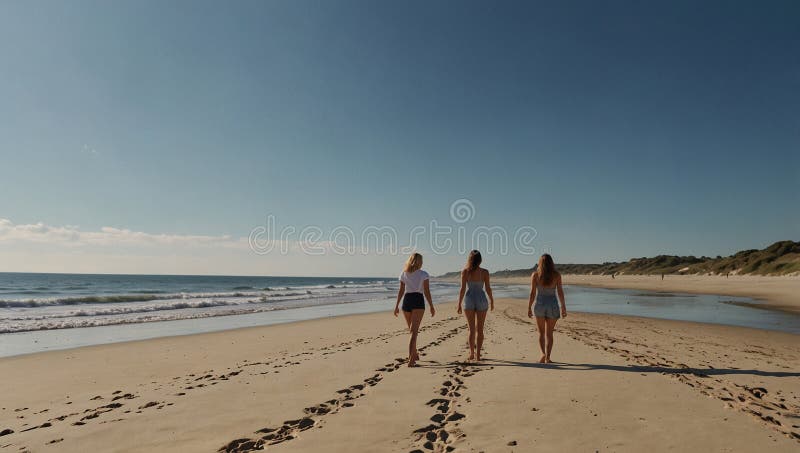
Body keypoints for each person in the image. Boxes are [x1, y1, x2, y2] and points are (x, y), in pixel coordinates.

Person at [394, 252, 435, 367]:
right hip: (417, 300)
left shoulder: (404, 273)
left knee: (412, 331)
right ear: (419, 262)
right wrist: (431, 306)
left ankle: (415, 353)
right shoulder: (423, 274)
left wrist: (397, 305)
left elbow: (401, 291)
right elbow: (426, 291)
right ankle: (411, 360)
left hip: (406, 301)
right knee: (414, 332)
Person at [527, 254, 567, 363]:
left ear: (540, 263)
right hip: (552, 305)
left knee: (541, 333)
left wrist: (529, 307)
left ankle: (542, 354)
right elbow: (560, 292)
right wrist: (563, 307)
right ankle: (548, 357)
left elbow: (532, 293)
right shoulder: (556, 275)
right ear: (551, 263)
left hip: (540, 305)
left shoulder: (535, 275)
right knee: (549, 333)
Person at [457, 250, 494, 361]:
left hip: (469, 299)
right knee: (480, 330)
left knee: (471, 330)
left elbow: (462, 289)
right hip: (481, 299)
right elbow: (487, 288)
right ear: (480, 260)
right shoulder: (485, 272)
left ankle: (472, 353)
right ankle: (478, 355)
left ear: (470, 259)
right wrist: (492, 300)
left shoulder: (465, 272)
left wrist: (459, 303)